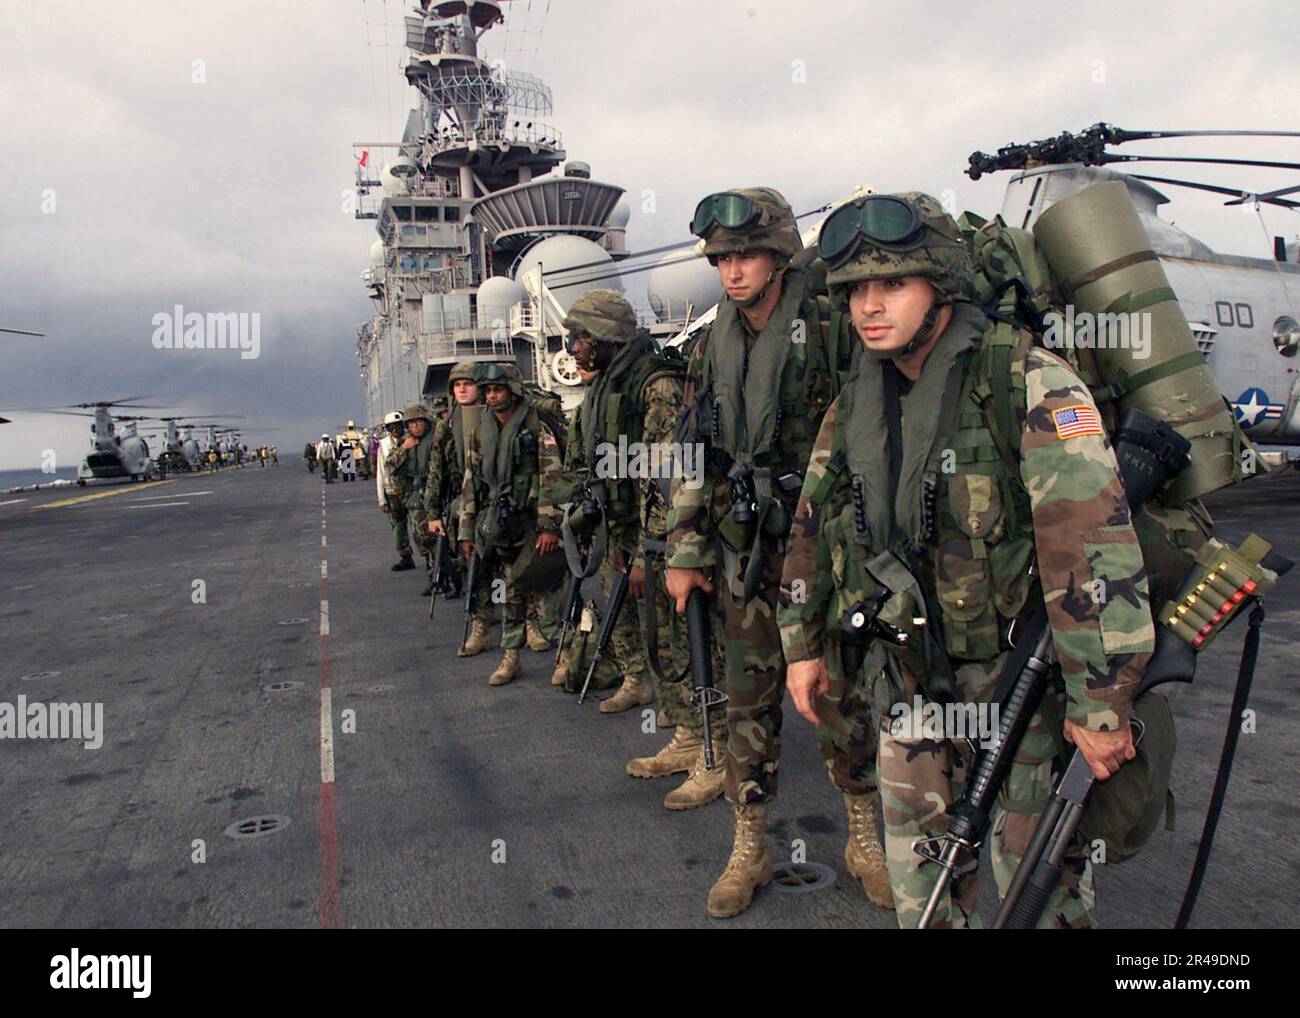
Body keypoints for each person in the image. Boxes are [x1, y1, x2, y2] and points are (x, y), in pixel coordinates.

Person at [778, 191, 1152, 928]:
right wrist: (802, 644)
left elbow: (1090, 548)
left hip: (1017, 697)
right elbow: (812, 525)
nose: (868, 307)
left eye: (892, 284)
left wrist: (1101, 704)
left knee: (1032, 900)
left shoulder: (1025, 382)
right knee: (921, 889)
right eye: (855, 290)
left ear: (941, 285)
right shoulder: (859, 398)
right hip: (906, 689)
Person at [665, 186, 887, 918]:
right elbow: (695, 452)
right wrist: (685, 547)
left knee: (840, 696)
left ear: (780, 253)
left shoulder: (829, 323)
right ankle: (750, 845)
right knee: (748, 702)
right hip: (742, 552)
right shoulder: (710, 342)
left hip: (823, 550)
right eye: (723, 258)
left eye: (747, 254)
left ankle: (864, 837)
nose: (732, 271)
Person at [556, 289, 731, 808]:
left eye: (581, 337)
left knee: (697, 644)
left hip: (671, 539)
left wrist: (647, 552)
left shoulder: (655, 386)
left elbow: (667, 474)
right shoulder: (611, 384)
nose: (574, 348)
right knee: (668, 645)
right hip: (643, 537)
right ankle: (687, 734)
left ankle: (715, 747)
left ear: (608, 337)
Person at [458, 363, 564, 686]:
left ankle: (566, 657)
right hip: (500, 525)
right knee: (509, 594)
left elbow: (551, 474)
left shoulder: (535, 425)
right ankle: (511, 657)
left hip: (533, 521)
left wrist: (548, 525)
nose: (492, 395)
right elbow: (471, 480)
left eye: (498, 389)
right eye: (488, 390)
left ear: (513, 390)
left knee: (547, 594)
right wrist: (467, 528)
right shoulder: (481, 429)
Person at [424, 363, 496, 655]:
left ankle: (523, 623)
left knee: (511, 567)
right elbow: (436, 470)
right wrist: (432, 513)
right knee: (474, 567)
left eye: (468, 383)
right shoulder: (446, 425)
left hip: (496, 500)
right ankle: (480, 625)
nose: (463, 389)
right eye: (457, 385)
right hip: (462, 506)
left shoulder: (494, 416)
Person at [388, 405, 438, 593]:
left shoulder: (436, 439)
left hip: (435, 493)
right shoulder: (405, 442)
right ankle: (434, 575)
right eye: (410, 423)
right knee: (423, 538)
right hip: (416, 497)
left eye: (418, 421)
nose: (415, 426)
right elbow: (390, 464)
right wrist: (404, 448)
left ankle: (443, 576)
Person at [376, 410, 415, 571]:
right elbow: (381, 471)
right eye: (391, 427)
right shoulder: (384, 444)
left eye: (397, 426)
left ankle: (429, 558)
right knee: (398, 525)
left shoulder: (412, 440)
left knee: (420, 525)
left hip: (411, 488)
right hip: (393, 491)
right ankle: (405, 555)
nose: (395, 430)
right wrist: (381, 498)